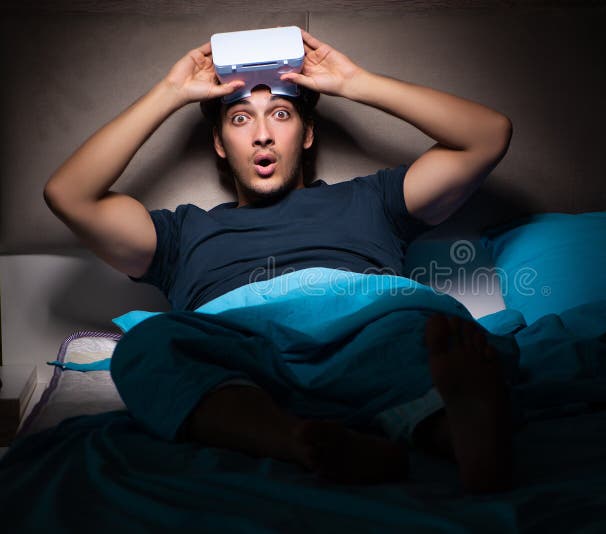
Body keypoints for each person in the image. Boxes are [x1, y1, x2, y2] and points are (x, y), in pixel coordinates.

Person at [43, 29, 513, 493]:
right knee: (149, 345)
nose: (263, 135)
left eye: (281, 114)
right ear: (220, 144)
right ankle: (303, 440)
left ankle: (456, 431)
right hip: (244, 354)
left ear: (308, 134)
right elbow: (68, 194)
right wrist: (169, 93)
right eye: (242, 119)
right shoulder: (181, 232)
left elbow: (487, 136)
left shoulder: (373, 199)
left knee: (414, 329)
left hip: (363, 331)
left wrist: (356, 83)